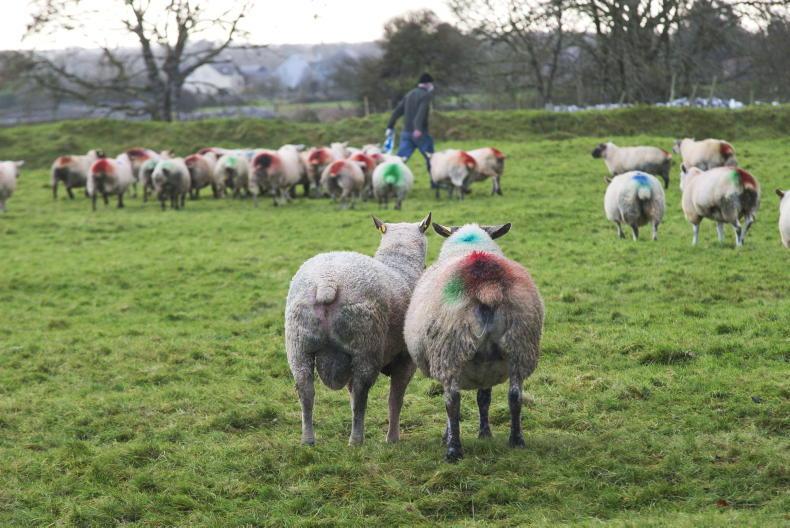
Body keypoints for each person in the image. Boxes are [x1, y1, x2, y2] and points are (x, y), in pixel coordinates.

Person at [386, 73, 435, 183]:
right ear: (427, 84)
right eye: (431, 84)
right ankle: (435, 182)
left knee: (399, 160)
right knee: (431, 159)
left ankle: (391, 180)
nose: (432, 86)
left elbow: (397, 111)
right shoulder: (426, 96)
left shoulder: (409, 94)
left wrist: (390, 126)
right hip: (420, 134)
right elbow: (421, 113)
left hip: (406, 133)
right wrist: (417, 128)